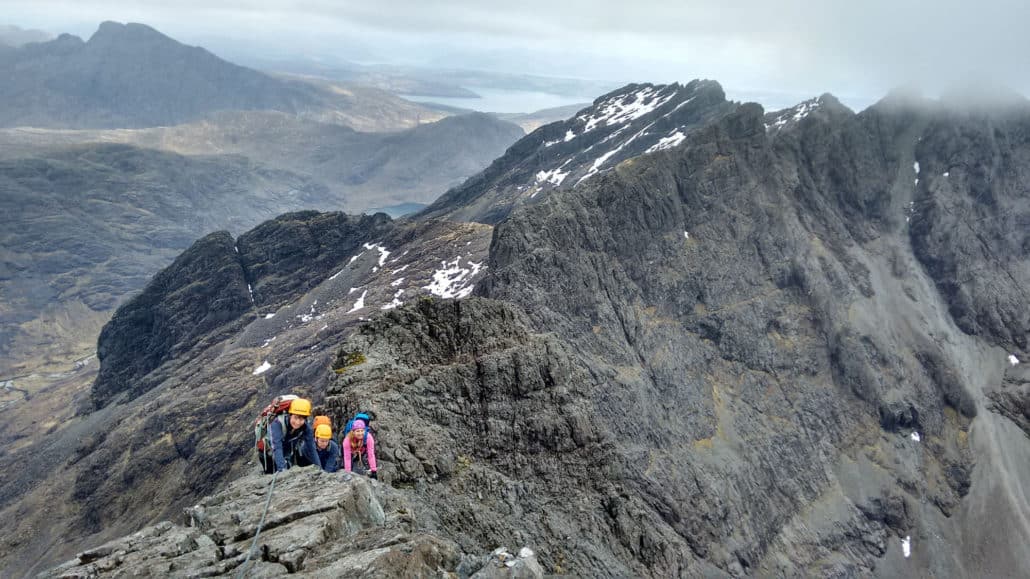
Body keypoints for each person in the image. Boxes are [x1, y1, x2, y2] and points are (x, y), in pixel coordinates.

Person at [260, 397, 321, 474]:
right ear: (290, 414)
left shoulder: (306, 428)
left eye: (301, 419)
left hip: (287, 451)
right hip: (268, 453)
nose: (297, 422)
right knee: (272, 474)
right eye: (295, 418)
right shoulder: (277, 423)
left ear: (305, 419)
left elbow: (311, 449)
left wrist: (319, 468)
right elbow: (277, 447)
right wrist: (283, 471)